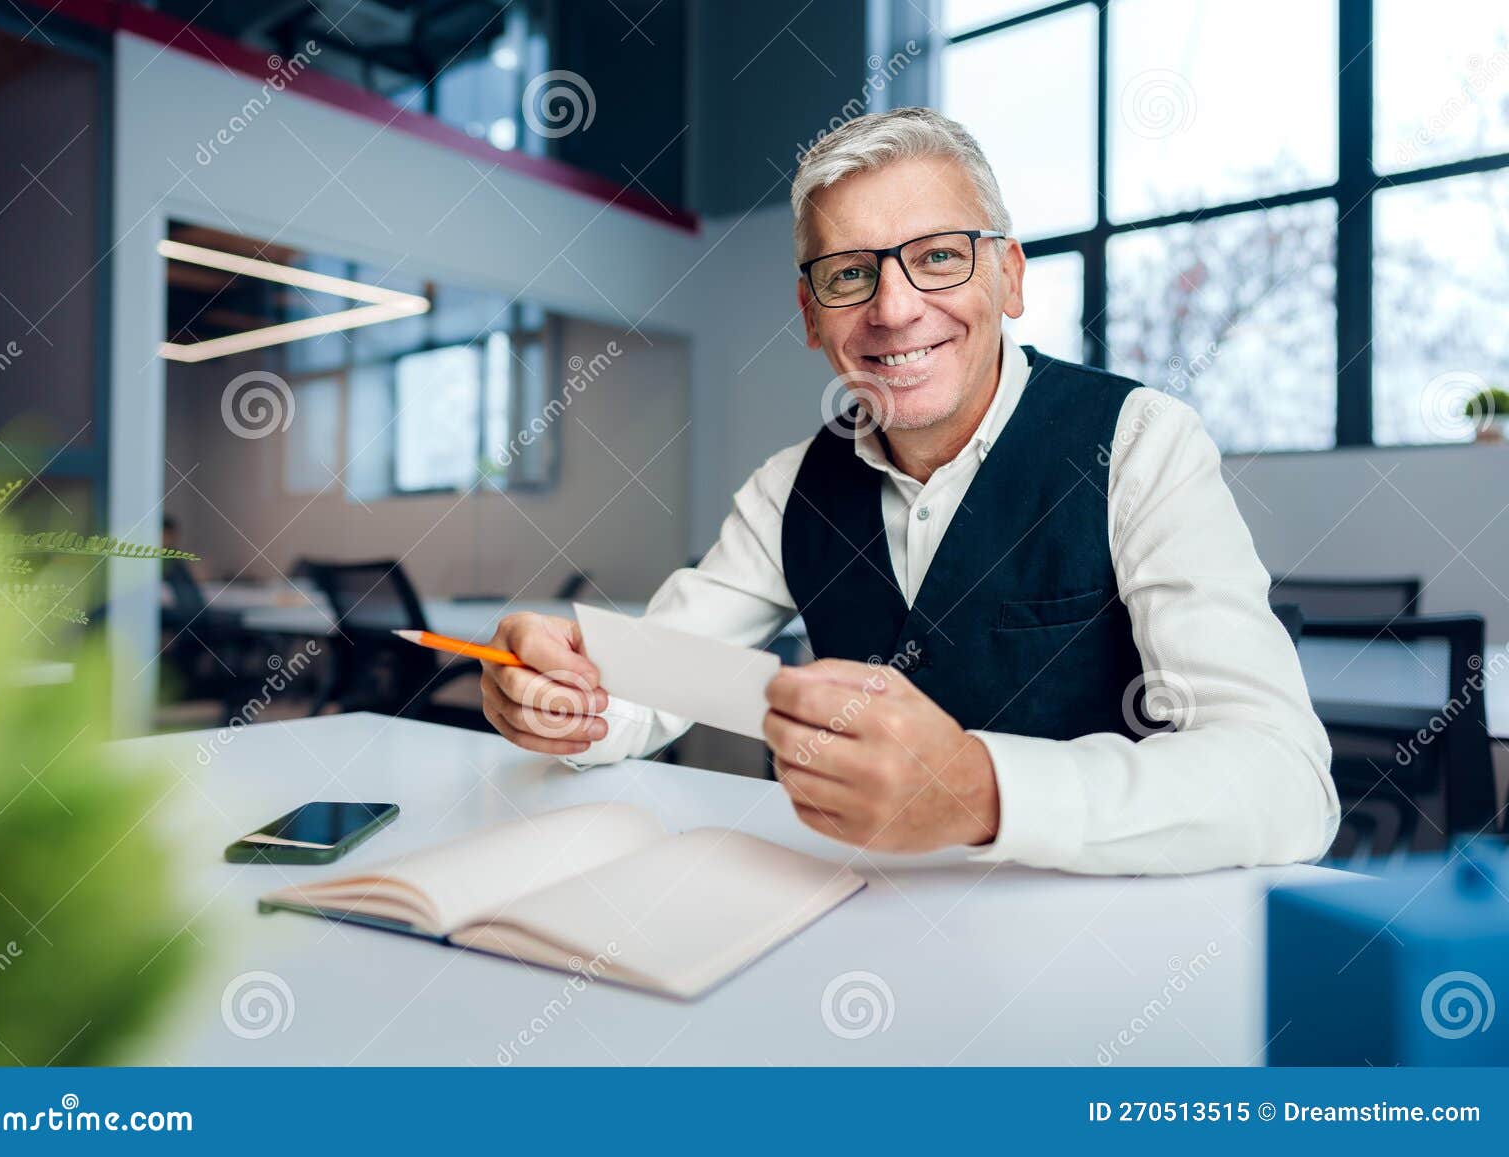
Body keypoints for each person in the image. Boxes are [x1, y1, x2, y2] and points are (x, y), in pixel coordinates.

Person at [480, 108, 1337, 875]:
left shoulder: (1142, 443)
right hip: (862, 930)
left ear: (1009, 277)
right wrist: (570, 698)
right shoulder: (789, 491)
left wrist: (980, 790)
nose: (894, 309)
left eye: (937, 257)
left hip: (1107, 960)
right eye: (851, 274)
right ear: (812, 316)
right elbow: (658, 679)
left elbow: (1285, 780)